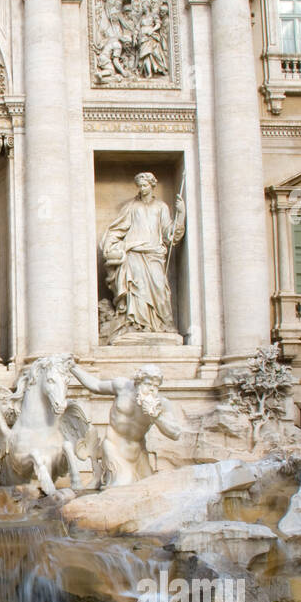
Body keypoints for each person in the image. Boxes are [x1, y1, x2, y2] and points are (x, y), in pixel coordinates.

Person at [100, 171, 185, 336]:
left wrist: (180, 214)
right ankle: (136, 324)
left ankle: (163, 325)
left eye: (145, 185)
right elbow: (117, 229)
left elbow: (170, 234)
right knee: (136, 290)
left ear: (152, 186)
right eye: (139, 186)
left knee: (160, 289)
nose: (142, 189)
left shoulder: (161, 207)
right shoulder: (131, 207)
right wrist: (111, 245)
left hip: (154, 254)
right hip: (134, 253)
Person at [71, 362, 183, 487]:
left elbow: (176, 433)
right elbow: (96, 385)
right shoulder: (122, 387)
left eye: (155, 386)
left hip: (138, 452)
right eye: (148, 384)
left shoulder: (161, 404)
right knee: (122, 487)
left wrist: (157, 417)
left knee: (147, 488)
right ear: (138, 382)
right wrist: (73, 368)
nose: (151, 389)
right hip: (114, 447)